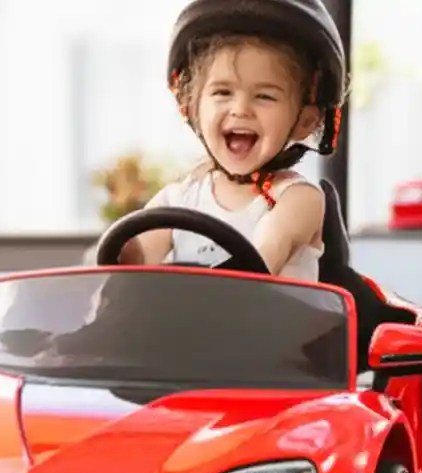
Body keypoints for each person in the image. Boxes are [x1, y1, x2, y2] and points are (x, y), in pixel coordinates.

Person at [115, 0, 346, 281]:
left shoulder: (297, 199)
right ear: (190, 104)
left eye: (264, 96)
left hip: (272, 325)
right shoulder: (180, 199)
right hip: (191, 325)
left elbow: (260, 263)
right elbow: (127, 267)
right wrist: (120, 262)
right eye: (223, 92)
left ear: (304, 122)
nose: (241, 109)